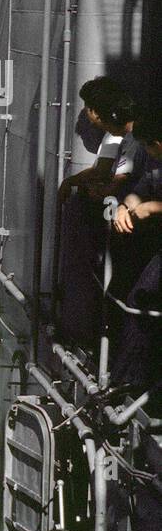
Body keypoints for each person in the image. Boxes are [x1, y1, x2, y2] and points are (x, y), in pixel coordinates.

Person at [107, 115, 162, 393]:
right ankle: (128, 378)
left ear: (156, 144)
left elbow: (150, 200)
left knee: (140, 301)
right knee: (135, 300)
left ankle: (130, 379)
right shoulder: (157, 165)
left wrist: (153, 208)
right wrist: (123, 207)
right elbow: (139, 191)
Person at [59, 77, 141, 202]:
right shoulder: (122, 135)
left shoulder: (135, 138)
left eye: (87, 107)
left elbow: (114, 181)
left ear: (96, 113)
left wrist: (94, 190)